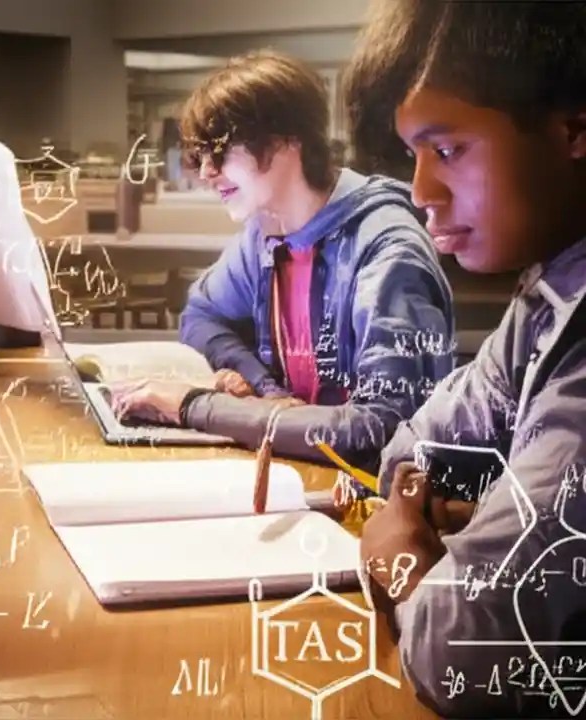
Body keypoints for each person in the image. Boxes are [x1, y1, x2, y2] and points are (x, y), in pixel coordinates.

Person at [346, 1, 586, 716]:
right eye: (413, 156)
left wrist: (400, 553)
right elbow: (417, 450)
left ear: (575, 126)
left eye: (447, 150)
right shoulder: (551, 288)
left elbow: (469, 654)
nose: (420, 192)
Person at [112, 50, 454, 473]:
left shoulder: (386, 251)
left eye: (220, 150)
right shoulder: (265, 235)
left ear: (287, 139)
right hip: (293, 474)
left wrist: (194, 406)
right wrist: (262, 385)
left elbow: (381, 431)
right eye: (200, 155)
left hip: (369, 503)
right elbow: (200, 315)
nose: (205, 171)